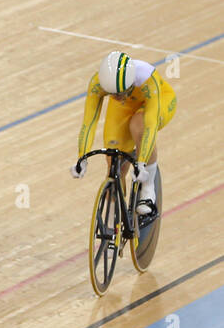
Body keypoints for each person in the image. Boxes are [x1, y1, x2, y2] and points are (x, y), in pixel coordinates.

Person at [71, 52, 176, 216]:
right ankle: (114, 219)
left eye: (119, 93)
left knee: (138, 126)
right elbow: (89, 123)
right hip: (126, 106)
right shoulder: (98, 83)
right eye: (112, 94)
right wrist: (82, 156)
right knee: (114, 156)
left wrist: (141, 163)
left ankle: (148, 190)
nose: (116, 97)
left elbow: (150, 126)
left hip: (158, 100)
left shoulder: (147, 78)